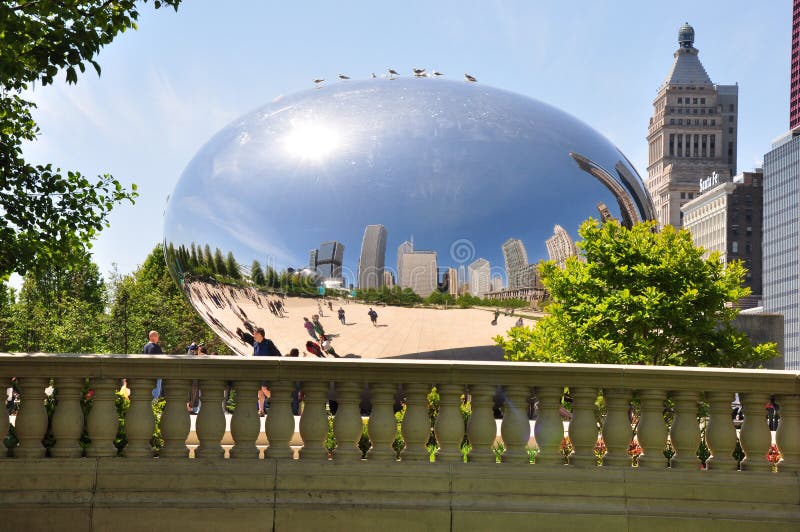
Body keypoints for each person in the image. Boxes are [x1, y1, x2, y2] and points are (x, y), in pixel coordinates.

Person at [142, 330, 164, 398]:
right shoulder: (155, 347)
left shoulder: (145, 347)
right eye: (157, 336)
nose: (158, 338)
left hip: (146, 374)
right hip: (156, 374)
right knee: (155, 395)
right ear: (152, 337)